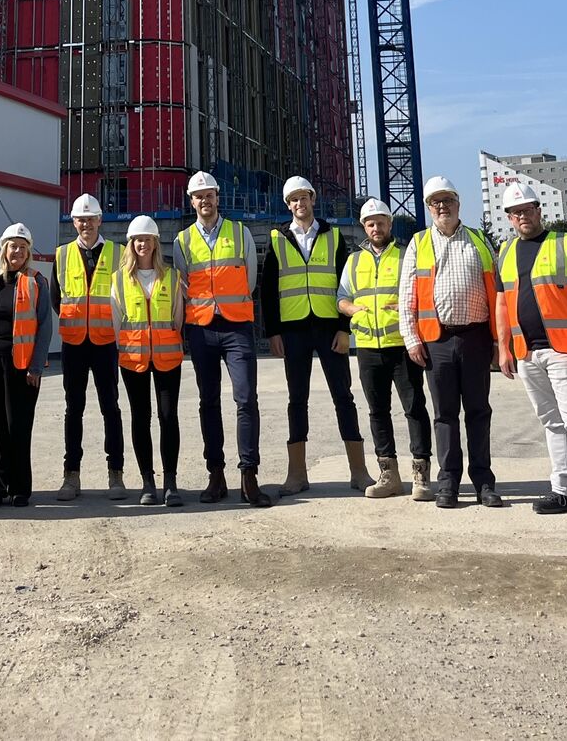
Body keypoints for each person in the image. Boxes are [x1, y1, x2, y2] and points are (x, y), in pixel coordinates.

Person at [497, 180, 567, 524]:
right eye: (516, 213)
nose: (523, 217)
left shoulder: (562, 243)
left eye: (528, 210)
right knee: (551, 422)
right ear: (510, 219)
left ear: (538, 211)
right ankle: (563, 491)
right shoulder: (505, 252)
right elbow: (503, 302)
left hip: (564, 348)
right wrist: (504, 347)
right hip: (527, 352)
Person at [397, 175, 511, 509]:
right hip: (438, 340)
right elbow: (407, 296)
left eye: (447, 200)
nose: (442, 206)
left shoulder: (478, 240)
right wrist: (411, 338)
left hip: (476, 337)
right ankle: (448, 484)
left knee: (478, 411)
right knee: (444, 414)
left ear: (458, 203)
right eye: (435, 202)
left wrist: (497, 341)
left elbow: (498, 293)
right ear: (429, 208)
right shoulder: (419, 243)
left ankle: (484, 482)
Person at [261, 175, 372, 495]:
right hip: (293, 328)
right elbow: (267, 289)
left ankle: (358, 470)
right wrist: (273, 333)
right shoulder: (277, 237)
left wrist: (343, 328)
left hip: (328, 327)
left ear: (312, 200)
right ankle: (296, 474)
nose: (299, 204)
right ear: (288, 205)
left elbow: (345, 285)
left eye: (304, 198)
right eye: (293, 199)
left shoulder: (334, 235)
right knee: (297, 399)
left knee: (344, 396)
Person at [172, 170, 270, 507]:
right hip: (200, 328)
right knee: (208, 402)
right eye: (199, 196)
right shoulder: (182, 241)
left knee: (246, 400)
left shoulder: (239, 233)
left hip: (236, 327)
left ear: (217, 197)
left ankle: (249, 475)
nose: (205, 201)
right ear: (192, 201)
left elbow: (251, 279)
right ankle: (216, 474)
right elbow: (184, 285)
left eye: (210, 194)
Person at [337, 198, 434, 501]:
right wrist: (353, 309)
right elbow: (341, 297)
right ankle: (388, 474)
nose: (375, 228)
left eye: (380, 222)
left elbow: (422, 293)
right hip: (367, 347)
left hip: (402, 345)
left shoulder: (407, 256)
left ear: (390, 224)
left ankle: (421, 476)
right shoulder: (354, 261)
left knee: (414, 408)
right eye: (370, 223)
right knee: (377, 411)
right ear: (363, 227)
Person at [51, 193, 126, 502]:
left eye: (90, 218)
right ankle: (72, 475)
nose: (85, 223)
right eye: (80, 219)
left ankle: (116, 474)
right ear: (74, 221)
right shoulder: (62, 254)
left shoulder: (118, 253)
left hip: (106, 342)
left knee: (111, 408)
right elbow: (58, 299)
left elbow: (124, 295)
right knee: (74, 410)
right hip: (74, 344)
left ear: (99, 220)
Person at [112, 215, 185, 507]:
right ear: (131, 244)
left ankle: (170, 482)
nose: (143, 244)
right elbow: (117, 320)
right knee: (140, 418)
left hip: (167, 357)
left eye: (148, 239)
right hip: (133, 358)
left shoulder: (172, 276)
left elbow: (178, 318)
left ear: (156, 243)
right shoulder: (119, 279)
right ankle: (147, 482)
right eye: (137, 240)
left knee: (168, 417)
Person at [0, 222, 51, 509]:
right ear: (4, 250)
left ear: (28, 252)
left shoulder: (37, 281)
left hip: (23, 366)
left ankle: (20, 487)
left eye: (22, 247)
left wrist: (36, 367)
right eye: (13, 246)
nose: (17, 251)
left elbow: (45, 326)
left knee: (19, 425)